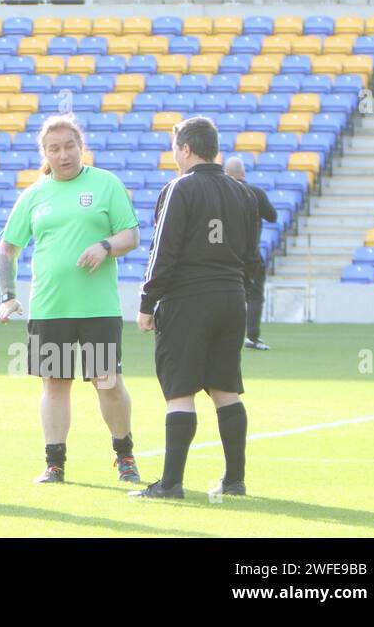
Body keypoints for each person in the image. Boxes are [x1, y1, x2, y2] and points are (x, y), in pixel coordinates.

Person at [0, 115, 143, 485]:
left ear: (81, 146)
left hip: (97, 309)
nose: (63, 154)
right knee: (55, 384)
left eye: (69, 146)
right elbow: (7, 249)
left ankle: (124, 455)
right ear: (44, 153)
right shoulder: (33, 195)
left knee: (107, 381)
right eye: (54, 148)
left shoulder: (106, 184)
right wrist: (8, 296)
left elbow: (132, 235)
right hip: (50, 308)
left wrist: (105, 245)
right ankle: (54, 464)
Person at [132, 116, 263, 500]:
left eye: (176, 147)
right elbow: (253, 257)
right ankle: (234, 480)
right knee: (226, 389)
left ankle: (170, 484)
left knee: (180, 392)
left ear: (186, 149)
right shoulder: (244, 193)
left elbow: (163, 252)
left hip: (188, 299)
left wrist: (146, 301)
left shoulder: (180, 188)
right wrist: (241, 290)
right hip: (231, 297)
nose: (175, 155)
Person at [223, 156, 278, 351]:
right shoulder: (255, 193)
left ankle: (222, 336)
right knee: (254, 296)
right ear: (243, 173)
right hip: (251, 256)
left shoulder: (220, 195)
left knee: (224, 295)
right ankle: (252, 337)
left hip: (225, 256)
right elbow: (272, 216)